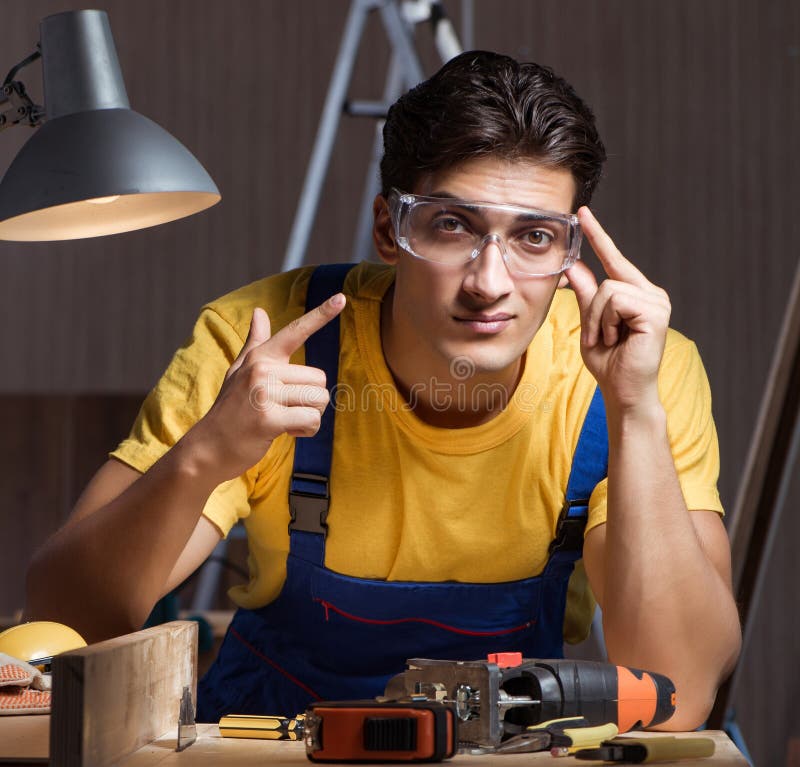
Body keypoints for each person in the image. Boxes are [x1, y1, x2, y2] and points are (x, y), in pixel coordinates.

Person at [25, 51, 740, 729]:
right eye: (453, 224)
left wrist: (634, 411)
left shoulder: (636, 369)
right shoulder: (265, 343)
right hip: (264, 743)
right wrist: (204, 456)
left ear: (568, 254)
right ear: (389, 229)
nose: (489, 282)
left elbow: (676, 689)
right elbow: (68, 615)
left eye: (533, 238)